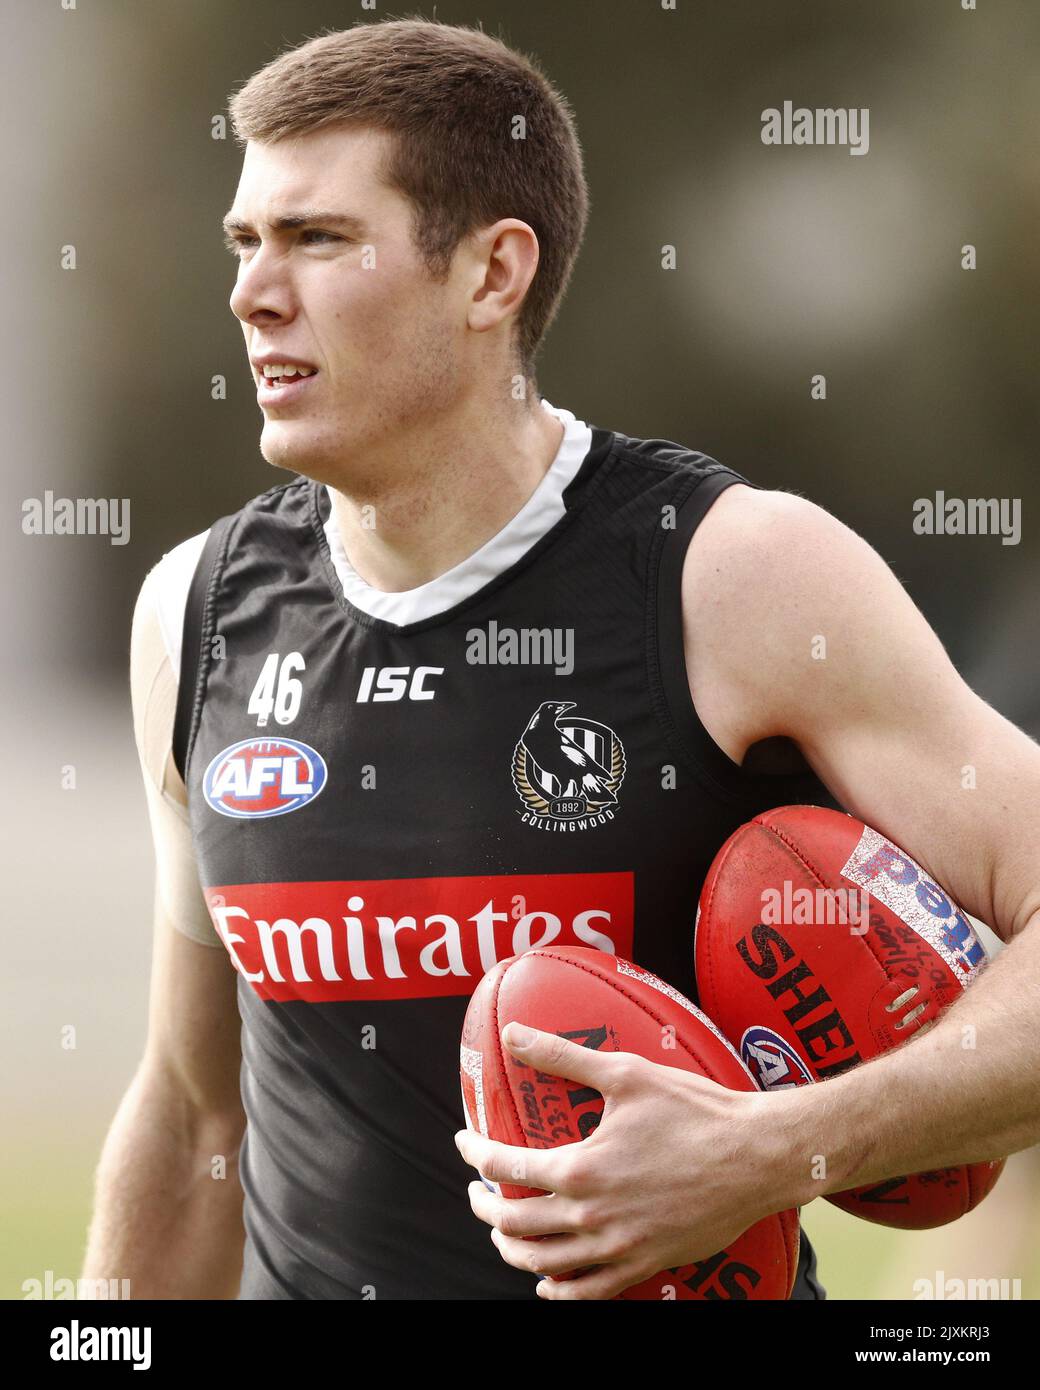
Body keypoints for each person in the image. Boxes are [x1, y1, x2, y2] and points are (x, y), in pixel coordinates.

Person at [83, 19, 1040, 1301]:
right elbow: (196, 1113)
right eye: (245, 244)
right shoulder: (191, 609)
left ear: (491, 276)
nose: (255, 292)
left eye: (316, 240)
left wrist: (772, 1149)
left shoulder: (727, 576)